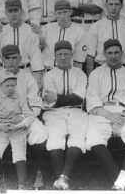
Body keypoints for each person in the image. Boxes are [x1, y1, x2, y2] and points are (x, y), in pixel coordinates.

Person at [0, 44, 48, 190]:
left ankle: (36, 171)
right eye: (7, 58)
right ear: (1, 60)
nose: (11, 61)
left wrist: (22, 120)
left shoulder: (28, 77)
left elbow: (35, 104)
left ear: (20, 58)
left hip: (24, 118)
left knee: (40, 133)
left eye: (14, 58)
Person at [86, 39, 125, 190]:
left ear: (122, 54)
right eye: (110, 53)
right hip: (101, 112)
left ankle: (119, 184)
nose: (113, 56)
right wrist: (109, 116)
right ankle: (123, 184)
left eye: (116, 53)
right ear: (104, 55)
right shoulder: (96, 74)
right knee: (94, 138)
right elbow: (92, 99)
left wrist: (123, 117)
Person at [42, 40, 88, 190]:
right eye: (59, 54)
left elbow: (79, 98)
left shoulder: (80, 73)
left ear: (72, 55)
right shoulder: (49, 75)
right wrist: (62, 99)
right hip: (54, 113)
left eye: (66, 54)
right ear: (54, 56)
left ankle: (63, 177)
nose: (63, 57)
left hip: (76, 110)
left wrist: (58, 97)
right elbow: (49, 101)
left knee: (77, 137)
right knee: (55, 137)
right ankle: (60, 178)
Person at [0, 74, 35, 191]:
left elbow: (30, 116)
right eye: (7, 86)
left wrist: (19, 124)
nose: (10, 88)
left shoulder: (20, 98)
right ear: (1, 87)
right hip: (1, 130)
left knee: (19, 154)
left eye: (13, 85)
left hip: (17, 129)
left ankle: (22, 184)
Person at [0, 0, 44, 87]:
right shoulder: (0, 32)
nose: (13, 14)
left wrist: (37, 80)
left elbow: (35, 57)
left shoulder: (30, 31)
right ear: (6, 13)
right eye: (10, 11)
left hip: (25, 72)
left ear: (21, 12)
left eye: (16, 10)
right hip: (5, 73)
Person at [86, 0, 125, 75]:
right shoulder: (96, 26)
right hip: (102, 70)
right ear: (106, 6)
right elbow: (90, 55)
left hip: (124, 69)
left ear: (122, 6)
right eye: (110, 4)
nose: (113, 8)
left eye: (117, 4)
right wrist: (90, 77)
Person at [39, 0, 87, 70]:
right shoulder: (46, 29)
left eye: (65, 12)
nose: (62, 16)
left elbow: (79, 60)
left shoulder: (79, 31)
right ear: (55, 14)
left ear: (70, 12)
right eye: (59, 13)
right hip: (48, 71)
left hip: (68, 72)